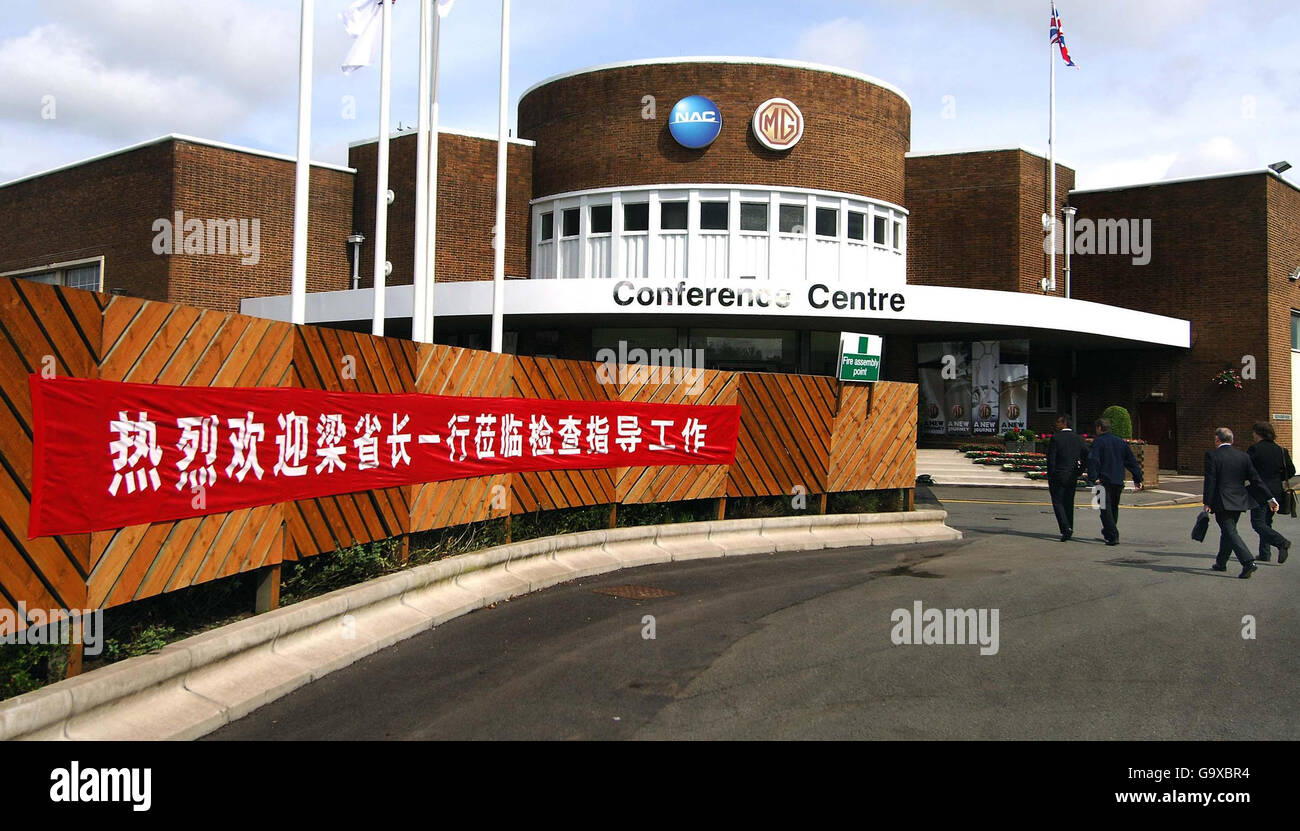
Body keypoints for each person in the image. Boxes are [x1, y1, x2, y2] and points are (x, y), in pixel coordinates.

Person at [1204, 426, 1278, 579]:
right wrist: (1270, 498)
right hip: (1239, 500)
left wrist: (1207, 502)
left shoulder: (1212, 455)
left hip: (1222, 501)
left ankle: (1248, 562)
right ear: (1232, 440)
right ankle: (1221, 563)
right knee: (1228, 531)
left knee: (1230, 531)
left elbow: (1210, 481)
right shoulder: (1243, 456)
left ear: (1217, 440)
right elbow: (1256, 479)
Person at [1085, 417, 1143, 545]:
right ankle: (1108, 531)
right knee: (1113, 508)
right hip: (1117, 480)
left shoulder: (1098, 442)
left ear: (1099, 428)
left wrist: (1092, 478)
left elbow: (1093, 460)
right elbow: (1131, 462)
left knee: (1104, 508)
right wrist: (1137, 478)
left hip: (1103, 481)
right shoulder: (1120, 442)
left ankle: (1112, 535)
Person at [1246, 421, 1293, 564]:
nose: (1252, 435)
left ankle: (1282, 542)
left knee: (1258, 523)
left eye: (1254, 432)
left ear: (1258, 433)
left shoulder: (1254, 450)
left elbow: (1247, 469)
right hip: (1277, 491)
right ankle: (1265, 554)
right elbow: (1291, 471)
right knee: (1267, 522)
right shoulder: (1281, 450)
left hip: (1260, 491)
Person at [1046, 414, 1088, 541]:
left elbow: (1051, 459)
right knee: (1069, 502)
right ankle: (1070, 526)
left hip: (1058, 474)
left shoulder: (1056, 438)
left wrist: (1051, 475)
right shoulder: (1079, 439)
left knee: (1058, 502)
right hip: (1072, 474)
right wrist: (1080, 470)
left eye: (1058, 422)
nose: (1055, 424)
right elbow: (1086, 456)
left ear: (1065, 423)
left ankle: (1065, 528)